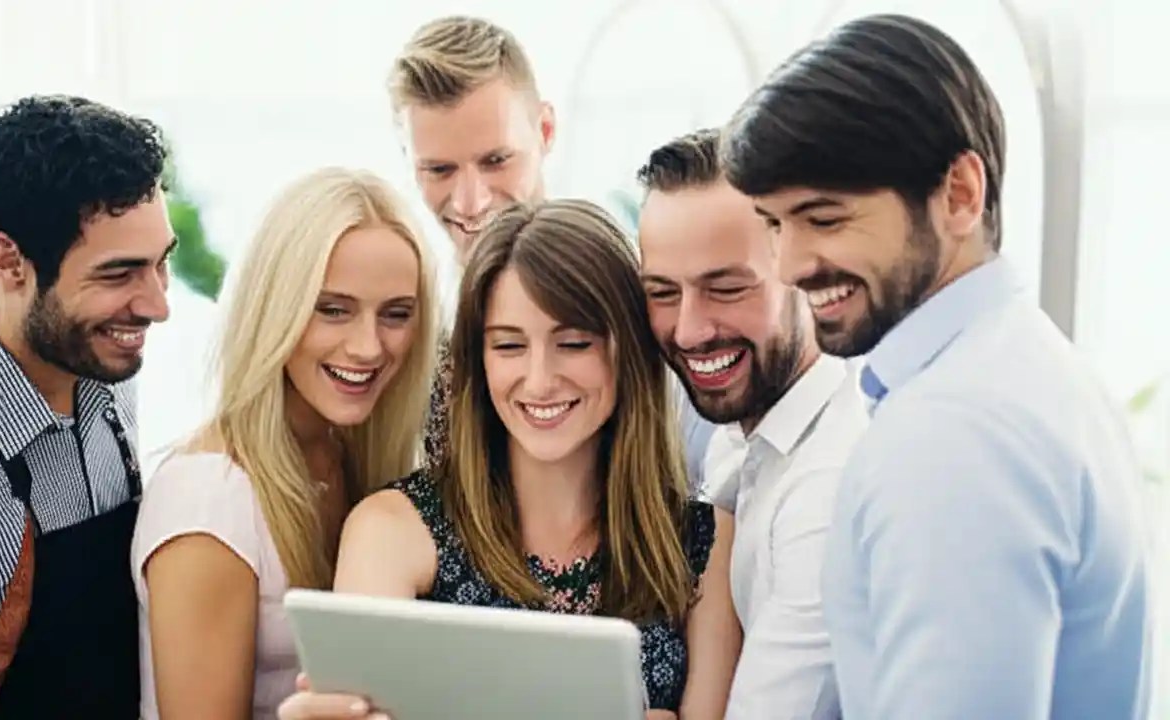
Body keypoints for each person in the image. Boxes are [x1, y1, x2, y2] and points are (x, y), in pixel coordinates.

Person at [723, 14, 1155, 719]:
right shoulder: (1024, 362)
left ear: (960, 193)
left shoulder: (952, 434)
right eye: (774, 224)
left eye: (825, 219)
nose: (791, 265)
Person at [278, 199, 739, 720]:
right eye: (509, 346)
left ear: (627, 351)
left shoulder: (706, 544)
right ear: (478, 360)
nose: (539, 380)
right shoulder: (392, 530)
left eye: (573, 343)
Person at [0, 95, 172, 719]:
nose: (156, 305)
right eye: (120, 273)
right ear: (9, 262)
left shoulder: (105, 369)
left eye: (162, 263)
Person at [131, 168, 439, 719]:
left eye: (396, 314)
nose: (368, 347)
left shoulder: (352, 456)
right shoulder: (209, 499)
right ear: (275, 307)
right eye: (333, 309)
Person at [388, 15, 715, 488]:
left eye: (496, 160)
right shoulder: (406, 324)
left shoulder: (630, 293)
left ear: (544, 131)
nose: (470, 201)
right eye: (439, 170)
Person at [636, 127, 869, 718]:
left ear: (806, 275)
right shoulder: (734, 441)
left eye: (727, 288)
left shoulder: (828, 487)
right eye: (663, 292)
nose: (689, 330)